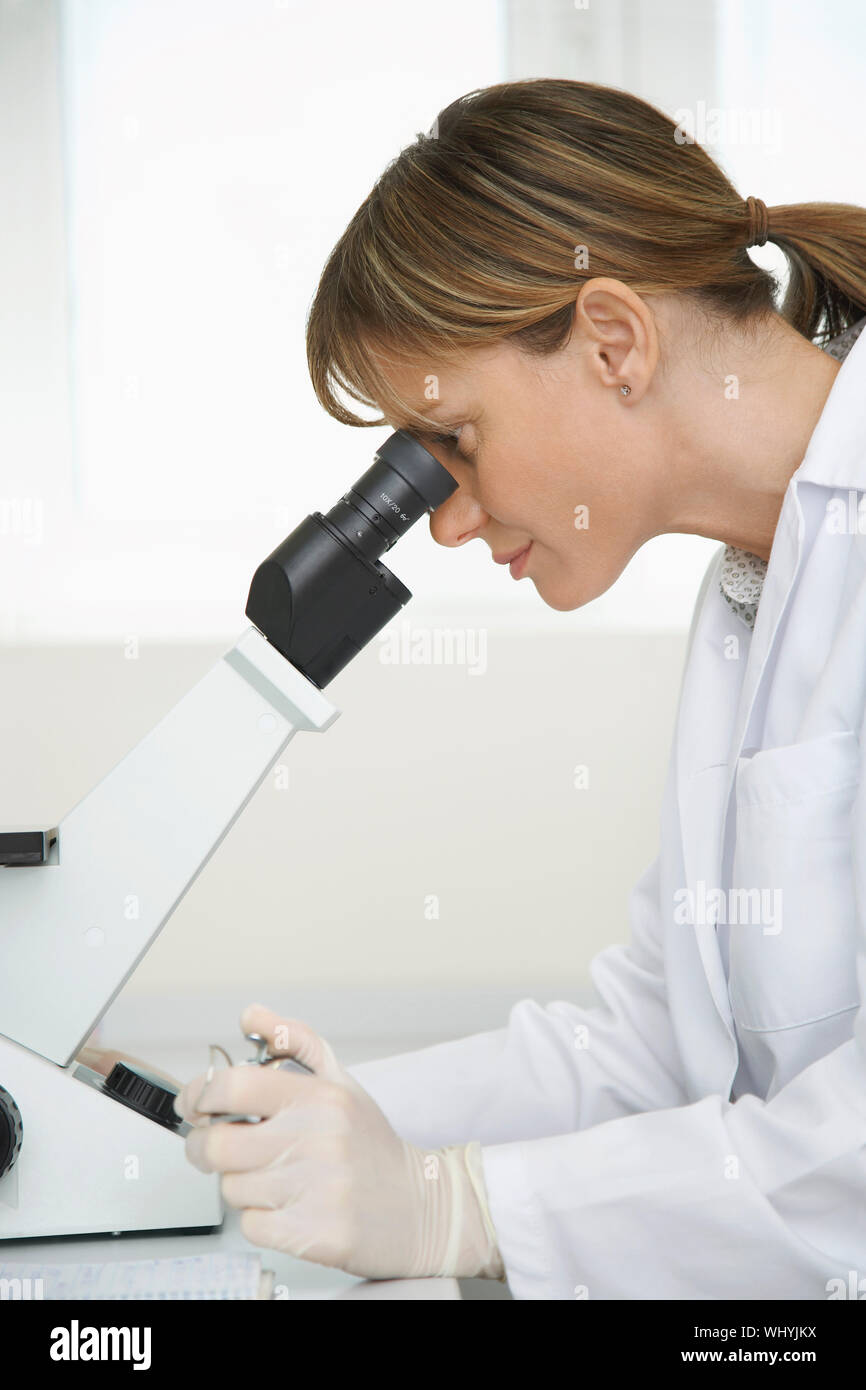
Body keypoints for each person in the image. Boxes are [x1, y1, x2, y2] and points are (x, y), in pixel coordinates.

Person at [175, 78, 866, 1299]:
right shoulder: (754, 592)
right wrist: (335, 1122)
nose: (441, 523)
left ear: (612, 341)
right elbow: (656, 1041)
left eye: (455, 442)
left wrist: (460, 1208)